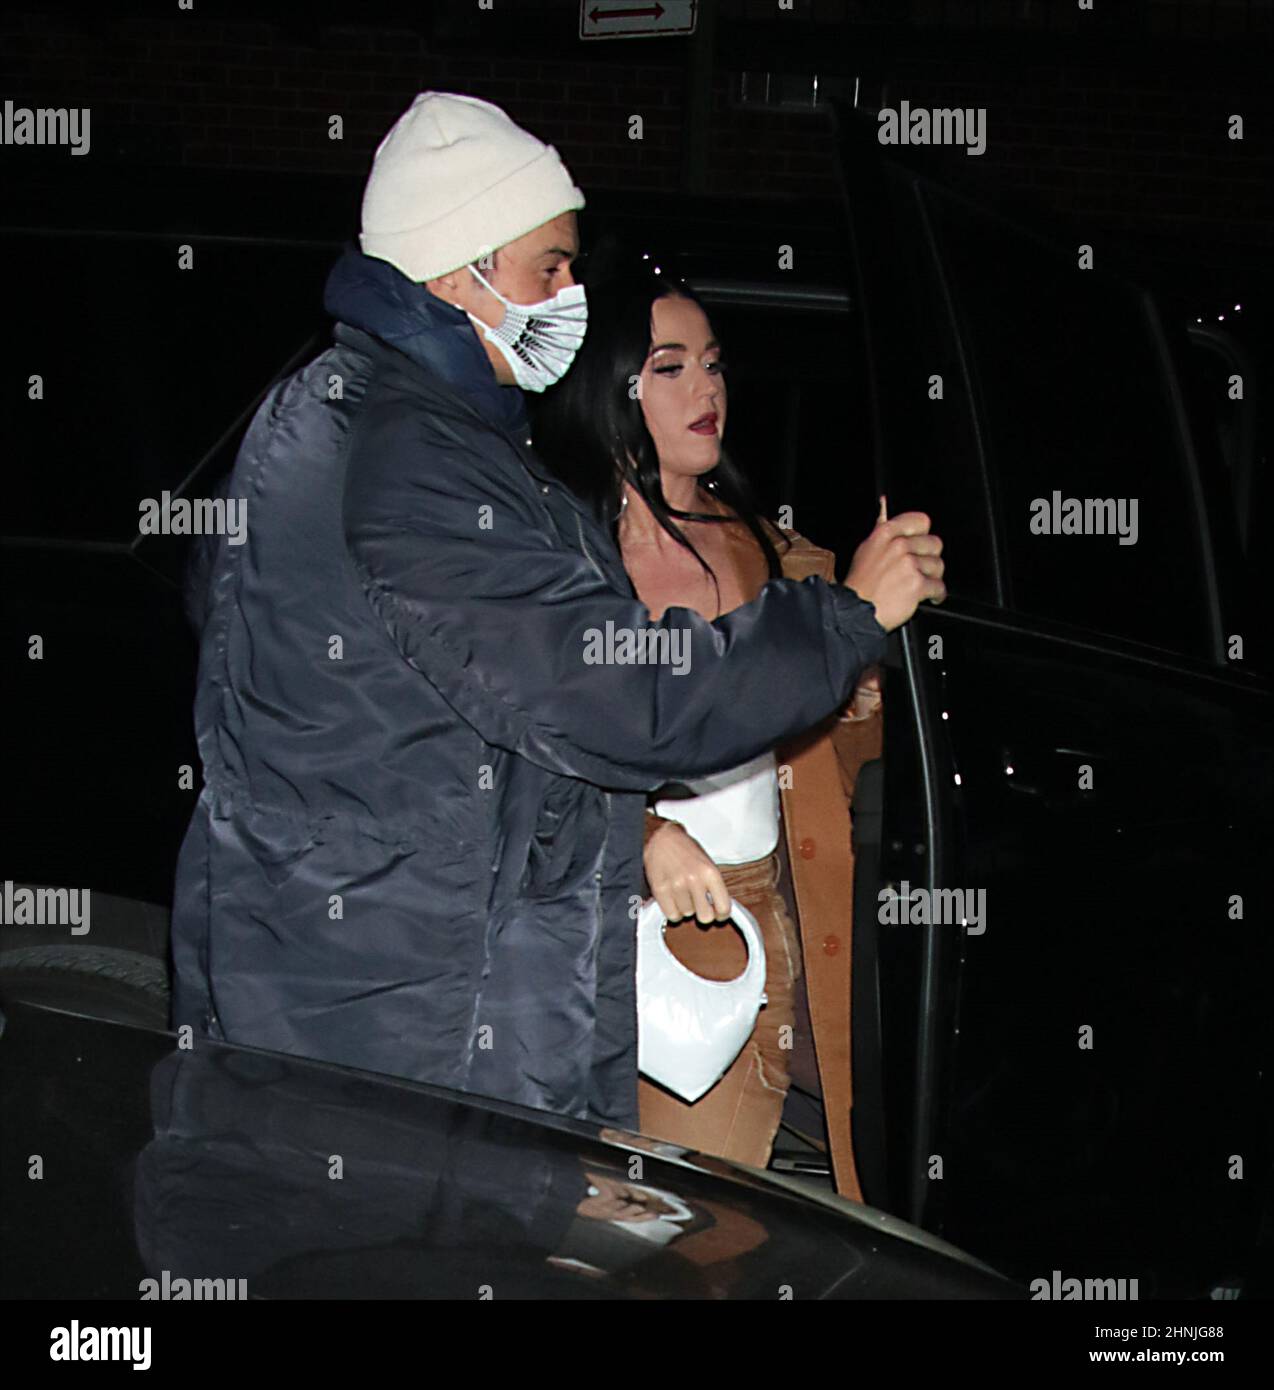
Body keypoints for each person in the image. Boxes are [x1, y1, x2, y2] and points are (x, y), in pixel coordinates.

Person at [170, 91, 945, 1133]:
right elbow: (612, 696)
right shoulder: (411, 458)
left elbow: (455, 723)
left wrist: (629, 836)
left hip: (359, 988)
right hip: (407, 1026)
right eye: (548, 267)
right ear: (457, 271)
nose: (569, 292)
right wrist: (844, 617)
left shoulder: (344, 414)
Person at [533, 263, 892, 1195]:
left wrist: (871, 620)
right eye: (671, 366)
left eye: (716, 364)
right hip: (647, 920)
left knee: (733, 1213)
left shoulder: (775, 552)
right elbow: (521, 748)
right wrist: (644, 831)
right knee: (664, 1223)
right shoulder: (564, 560)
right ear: (611, 388)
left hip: (775, 911)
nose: (708, 389)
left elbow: (842, 733)